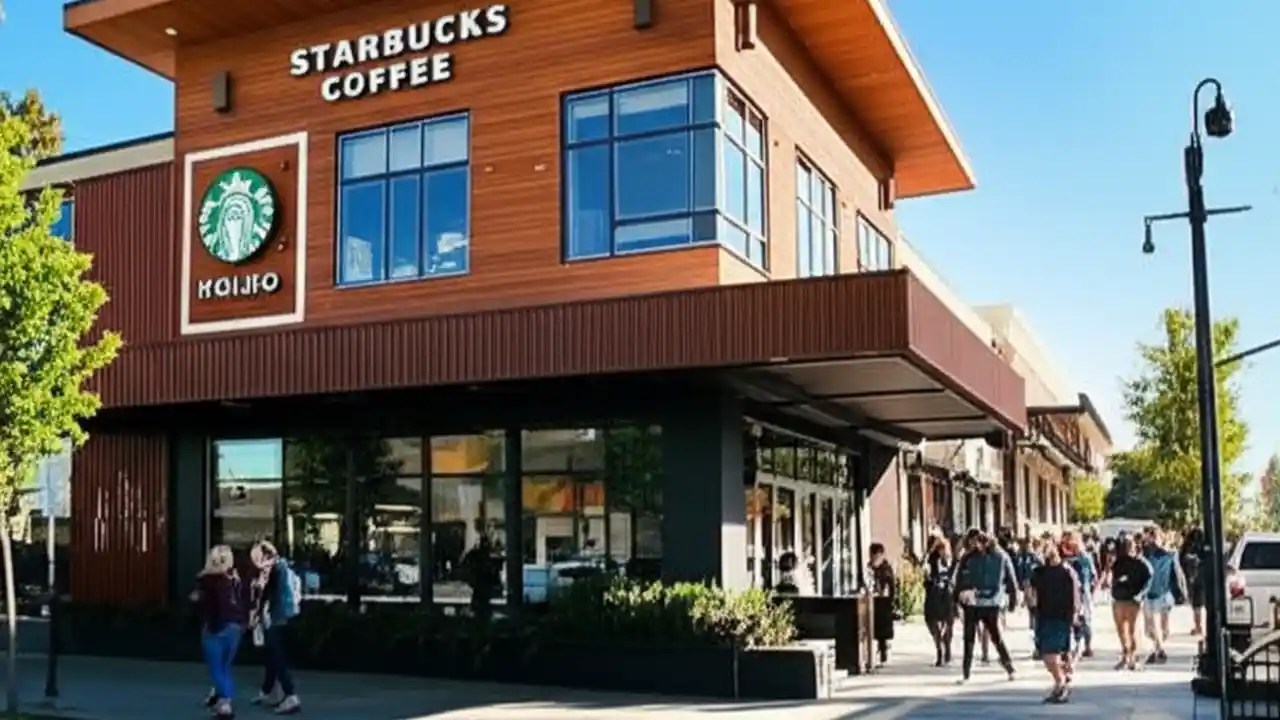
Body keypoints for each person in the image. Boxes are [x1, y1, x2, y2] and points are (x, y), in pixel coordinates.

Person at [953, 529, 1018, 683]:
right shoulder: (970, 557)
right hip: (975, 602)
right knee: (970, 638)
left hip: (988, 602)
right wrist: (957, 598)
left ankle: (1009, 667)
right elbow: (959, 578)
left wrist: (1013, 598)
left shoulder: (998, 556)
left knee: (994, 636)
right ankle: (966, 673)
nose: (976, 546)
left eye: (978, 543)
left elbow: (1010, 578)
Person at [250, 540, 303, 715]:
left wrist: (259, 588)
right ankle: (268, 690)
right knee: (272, 656)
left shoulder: (274, 571)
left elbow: (268, 596)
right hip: (284, 617)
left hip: (275, 618)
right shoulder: (283, 567)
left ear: (265, 556)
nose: (255, 563)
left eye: (257, 558)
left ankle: (290, 694)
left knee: (277, 657)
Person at [192, 545, 244, 719]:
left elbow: (205, 605)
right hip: (235, 626)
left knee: (216, 668)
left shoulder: (206, 580)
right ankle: (223, 699)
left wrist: (196, 601)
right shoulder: (235, 579)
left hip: (215, 626)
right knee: (225, 666)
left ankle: (225, 701)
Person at [1027, 544, 1081, 703]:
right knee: (1046, 654)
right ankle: (1060, 682)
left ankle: (1061, 683)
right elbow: (1030, 587)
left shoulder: (1067, 571)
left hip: (1061, 617)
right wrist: (1031, 602)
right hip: (1044, 616)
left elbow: (1075, 593)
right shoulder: (1039, 572)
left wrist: (1075, 614)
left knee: (1052, 654)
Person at [1141, 526, 1187, 665]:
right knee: (1149, 629)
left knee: (1159, 626)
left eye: (1155, 537)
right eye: (1150, 537)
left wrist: (1182, 591)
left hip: (1163, 594)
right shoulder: (1145, 555)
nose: (1152, 540)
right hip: (1149, 594)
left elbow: (1178, 574)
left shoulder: (1169, 556)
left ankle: (1159, 650)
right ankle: (1158, 648)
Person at [1109, 535, 1153, 670]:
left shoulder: (1141, 562)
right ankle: (1125, 654)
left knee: (1133, 630)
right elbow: (1112, 575)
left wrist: (1141, 595)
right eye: (1124, 544)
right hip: (1118, 598)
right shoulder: (1118, 561)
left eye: (1129, 544)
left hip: (1133, 599)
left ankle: (1133, 657)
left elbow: (1149, 577)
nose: (1126, 547)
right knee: (1121, 630)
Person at [1059, 529, 1098, 659]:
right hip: (1067, 593)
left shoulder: (1084, 557)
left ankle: (1087, 646)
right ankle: (1071, 647)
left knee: (1085, 620)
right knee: (1070, 621)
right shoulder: (1062, 557)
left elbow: (1093, 576)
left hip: (1082, 592)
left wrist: (1089, 591)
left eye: (1070, 540)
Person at [922, 533, 956, 667]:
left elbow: (953, 572)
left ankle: (946, 648)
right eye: (938, 548)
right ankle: (940, 649)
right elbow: (925, 570)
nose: (941, 551)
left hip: (946, 594)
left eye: (942, 548)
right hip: (934, 593)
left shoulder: (949, 560)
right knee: (933, 621)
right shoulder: (930, 559)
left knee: (948, 622)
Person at [1012, 536, 1042, 659]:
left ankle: (1039, 646)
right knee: (1033, 612)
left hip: (1034, 588)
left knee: (1037, 615)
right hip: (1026, 587)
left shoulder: (1035, 558)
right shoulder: (1019, 557)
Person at [869, 542, 896, 666]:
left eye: (877, 554)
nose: (874, 557)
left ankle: (883, 653)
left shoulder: (886, 568)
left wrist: (892, 600)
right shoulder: (869, 567)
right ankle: (874, 654)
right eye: (873, 554)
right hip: (872, 600)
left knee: (882, 631)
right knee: (872, 628)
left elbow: (891, 586)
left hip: (884, 602)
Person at [1180, 527, 1206, 636]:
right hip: (1204, 578)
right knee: (1204, 605)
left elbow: (1181, 560)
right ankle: (1203, 627)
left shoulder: (1187, 547)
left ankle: (1198, 626)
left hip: (1193, 579)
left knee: (1196, 605)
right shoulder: (1205, 546)